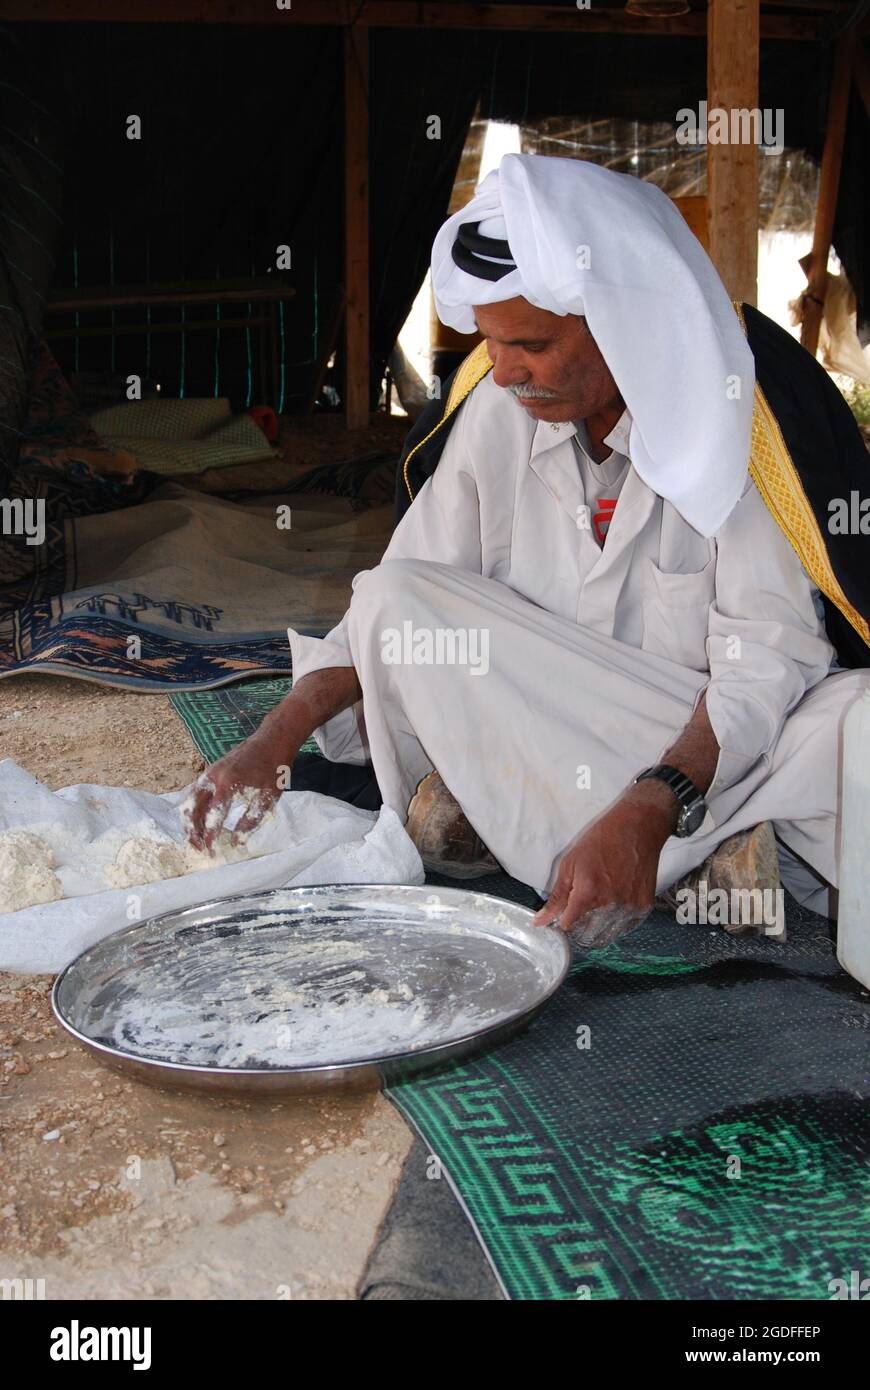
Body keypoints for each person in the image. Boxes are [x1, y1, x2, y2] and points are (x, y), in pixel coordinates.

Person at [184, 155, 870, 948]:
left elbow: (765, 667)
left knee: (854, 724)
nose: (504, 372)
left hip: (699, 739)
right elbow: (399, 602)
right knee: (397, 601)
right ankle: (712, 857)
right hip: (542, 718)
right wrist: (273, 742)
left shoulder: (733, 421)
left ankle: (573, 833)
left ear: (622, 326)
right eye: (492, 344)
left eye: (532, 346)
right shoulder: (500, 411)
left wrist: (653, 800)